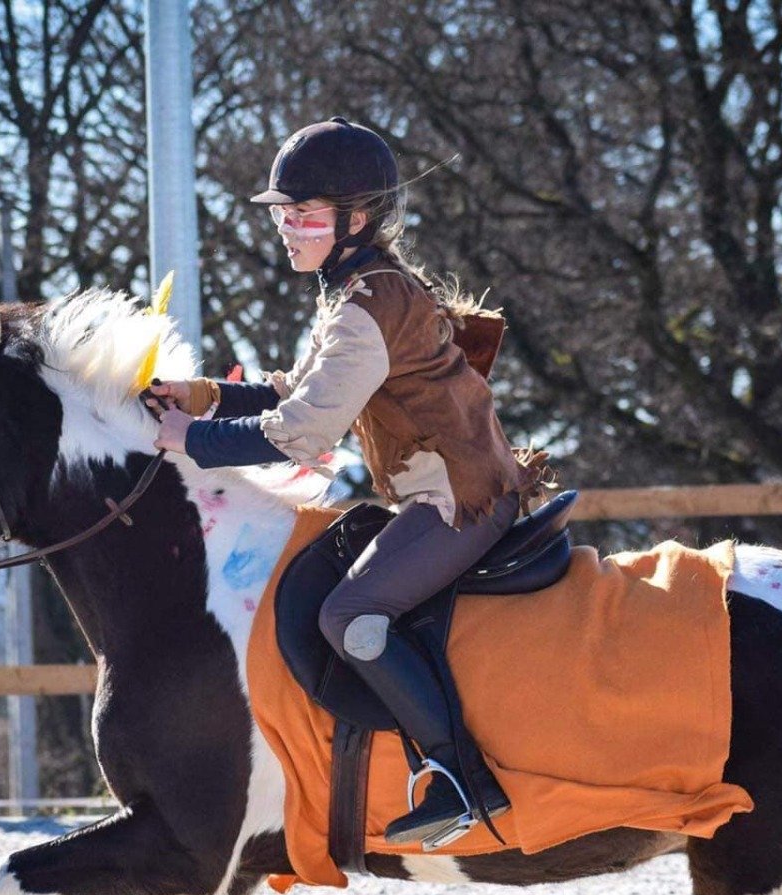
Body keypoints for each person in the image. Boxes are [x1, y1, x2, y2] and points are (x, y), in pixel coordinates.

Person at [148, 116, 548, 850]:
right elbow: (298, 391)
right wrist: (199, 397)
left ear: (356, 219)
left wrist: (191, 440)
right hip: (446, 488)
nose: (288, 229)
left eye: (303, 216)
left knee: (349, 614)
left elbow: (304, 432)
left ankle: (462, 774)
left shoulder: (366, 304)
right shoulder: (358, 290)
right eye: (283, 215)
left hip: (459, 500)